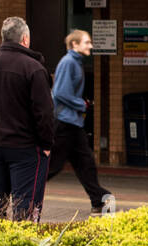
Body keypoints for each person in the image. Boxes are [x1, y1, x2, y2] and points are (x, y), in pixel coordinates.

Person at [0, 16, 55, 221]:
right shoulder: (34, 69)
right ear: (25, 39)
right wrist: (46, 144)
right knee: (25, 209)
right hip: (26, 148)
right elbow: (44, 113)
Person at [48, 29, 113, 215]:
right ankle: (23, 192)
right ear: (74, 45)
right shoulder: (68, 63)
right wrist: (82, 104)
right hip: (64, 123)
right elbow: (60, 92)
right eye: (86, 42)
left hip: (71, 123)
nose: (90, 46)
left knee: (85, 163)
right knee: (55, 165)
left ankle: (98, 200)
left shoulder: (75, 62)